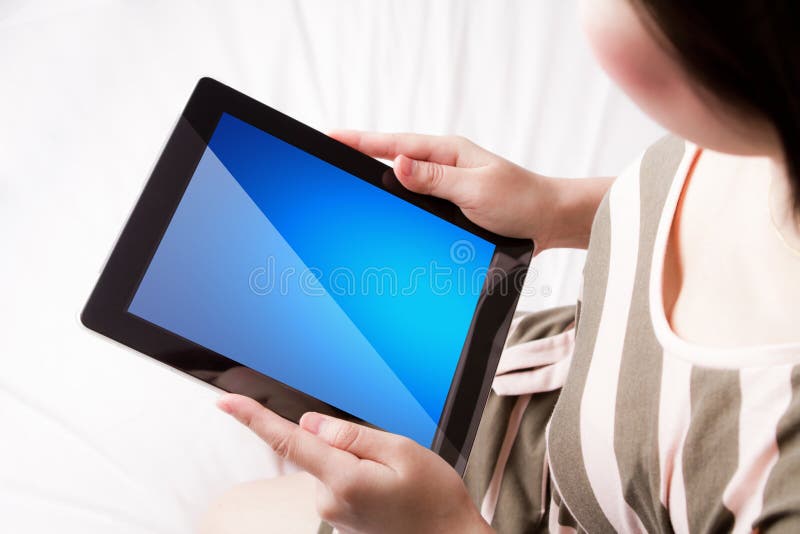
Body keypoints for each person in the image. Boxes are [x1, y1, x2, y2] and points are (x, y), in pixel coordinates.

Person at [201, 0, 800, 531]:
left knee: (228, 516)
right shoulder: (767, 126)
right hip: (534, 371)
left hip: (524, 507)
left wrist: (440, 528)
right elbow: (699, 213)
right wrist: (555, 209)